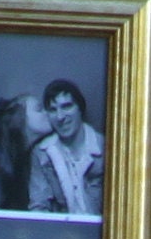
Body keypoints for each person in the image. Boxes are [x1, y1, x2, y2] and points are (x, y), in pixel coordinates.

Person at [24, 79, 105, 216]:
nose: (60, 116)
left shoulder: (106, 148)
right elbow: (38, 207)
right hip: (61, 234)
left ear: (80, 108)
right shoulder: (42, 153)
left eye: (66, 106)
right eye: (53, 110)